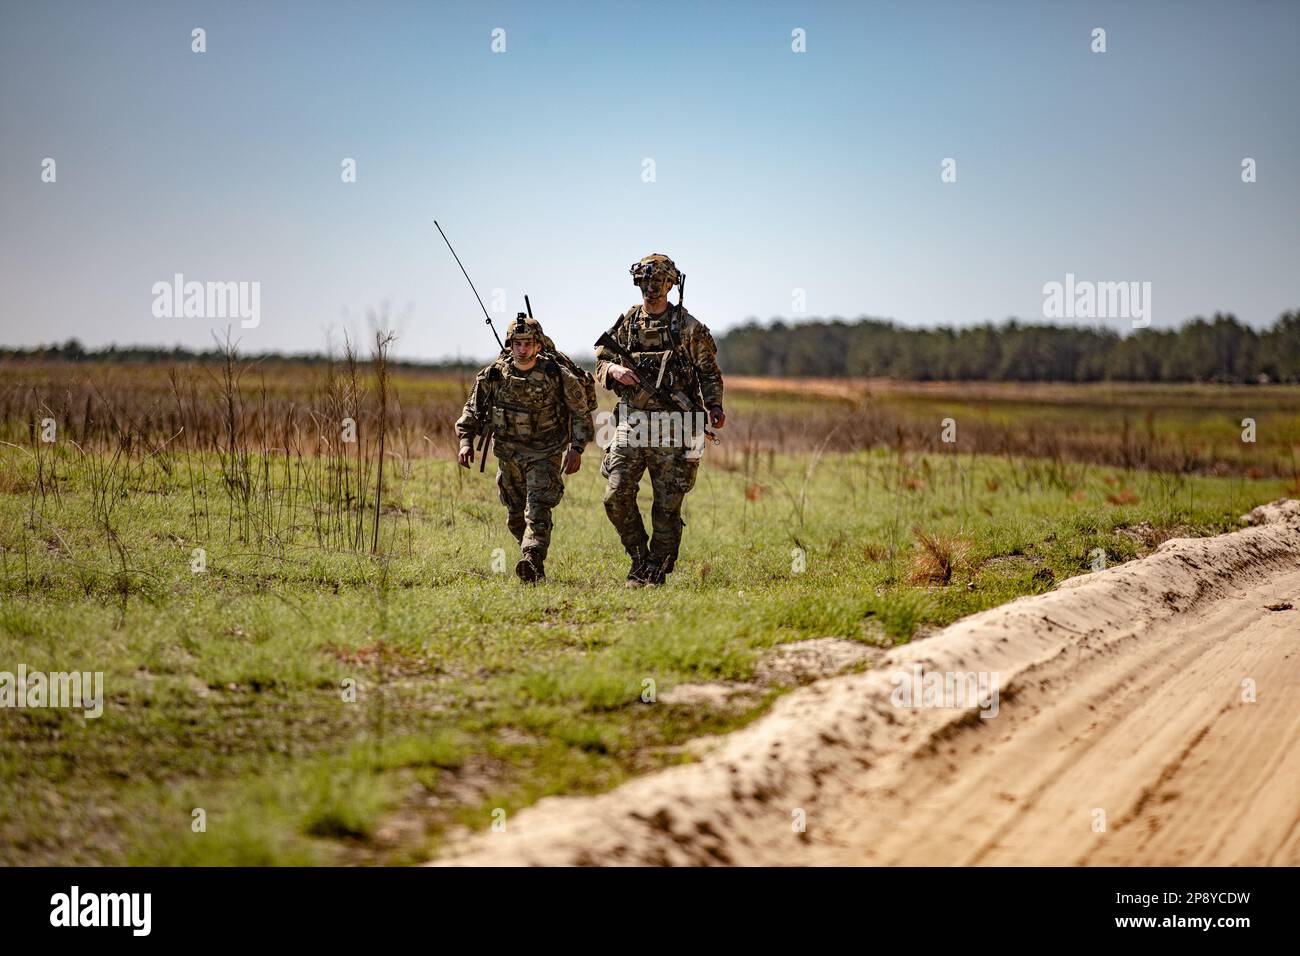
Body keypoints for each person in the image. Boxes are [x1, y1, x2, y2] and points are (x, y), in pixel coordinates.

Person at [595, 254, 725, 587]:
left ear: (671, 284)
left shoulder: (688, 327)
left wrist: (713, 406)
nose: (650, 289)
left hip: (676, 426)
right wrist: (613, 371)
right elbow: (601, 360)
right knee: (615, 494)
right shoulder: (627, 323)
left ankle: (656, 568)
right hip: (632, 423)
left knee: (667, 506)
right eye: (645, 282)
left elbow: (709, 372)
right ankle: (640, 558)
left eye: (658, 283)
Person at [456, 314, 594, 583]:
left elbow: (581, 413)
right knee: (515, 517)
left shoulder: (557, 375)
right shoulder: (494, 375)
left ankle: (531, 559)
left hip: (545, 451)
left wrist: (576, 448)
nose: (523, 349)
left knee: (538, 507)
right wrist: (465, 442)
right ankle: (532, 560)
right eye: (517, 343)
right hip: (508, 453)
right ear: (510, 345)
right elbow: (472, 410)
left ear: (538, 345)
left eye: (528, 343)